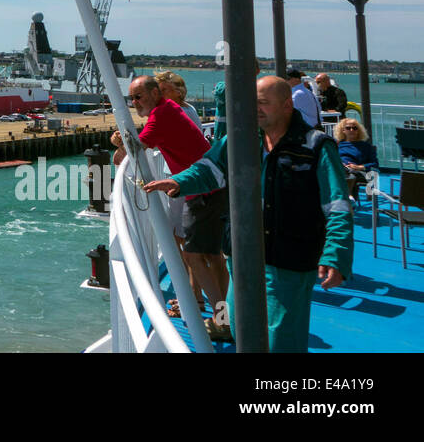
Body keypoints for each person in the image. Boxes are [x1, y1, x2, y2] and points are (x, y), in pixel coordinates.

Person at [145, 76, 353, 353]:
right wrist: (180, 182)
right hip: (242, 257)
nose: (255, 109)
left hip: (289, 258)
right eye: (252, 102)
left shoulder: (315, 147)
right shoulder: (240, 138)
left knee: (282, 340)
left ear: (287, 105)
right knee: (240, 329)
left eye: (264, 103)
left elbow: (336, 204)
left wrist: (335, 254)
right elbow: (209, 169)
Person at [113, 76, 229, 336]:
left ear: (155, 93)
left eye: (138, 97)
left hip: (202, 190)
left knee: (193, 257)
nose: (134, 103)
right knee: (213, 257)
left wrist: (118, 141)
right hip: (209, 186)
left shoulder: (162, 115)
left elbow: (135, 147)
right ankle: (224, 316)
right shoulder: (170, 109)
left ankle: (223, 321)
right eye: (131, 98)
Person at [154, 71, 206, 136]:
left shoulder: (177, 112)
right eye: (159, 91)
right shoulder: (189, 108)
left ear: (178, 92)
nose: (160, 94)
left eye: (164, 90)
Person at [334, 117, 379, 193]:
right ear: (343, 130)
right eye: (348, 128)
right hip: (341, 169)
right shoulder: (337, 145)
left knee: (351, 175)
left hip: (359, 172)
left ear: (358, 131)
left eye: (355, 128)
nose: (352, 130)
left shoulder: (366, 146)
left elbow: (375, 164)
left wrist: (358, 167)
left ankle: (349, 197)